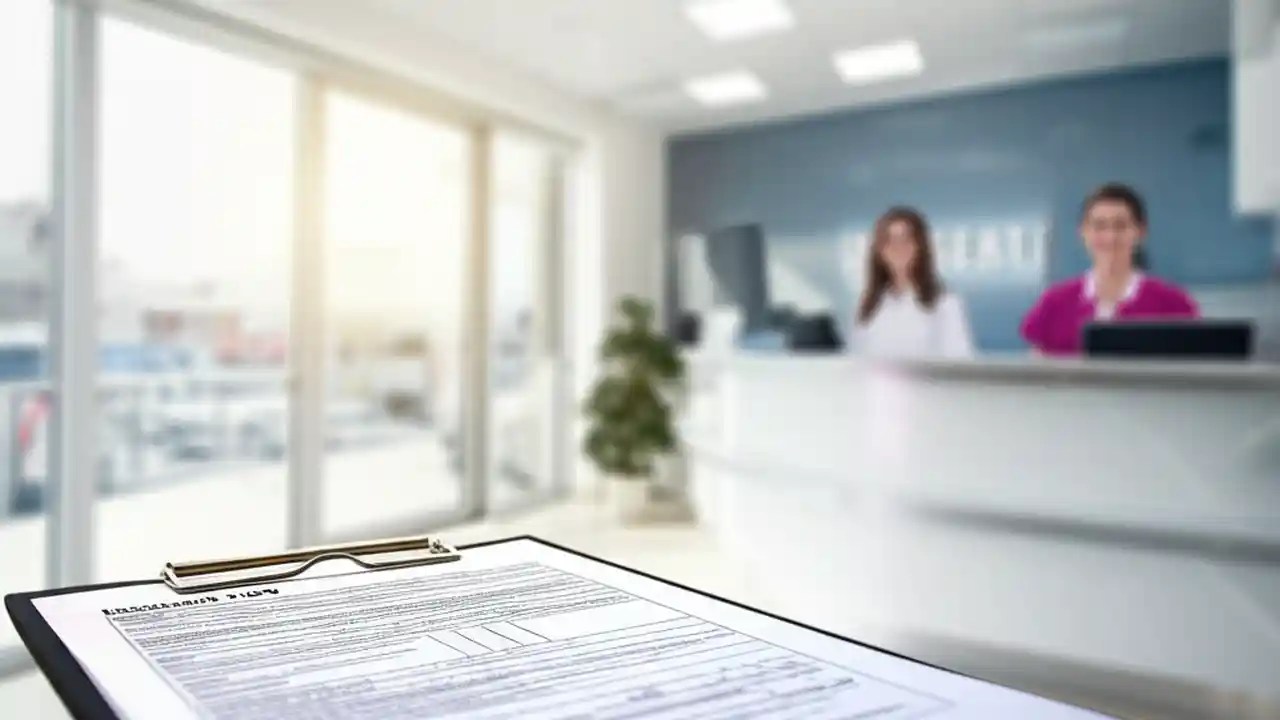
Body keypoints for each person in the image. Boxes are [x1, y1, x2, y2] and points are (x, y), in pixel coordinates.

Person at [1020, 183, 1198, 356]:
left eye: (1120, 226)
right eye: (1100, 226)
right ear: (1083, 232)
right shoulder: (1054, 303)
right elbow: (1037, 367)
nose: (1110, 237)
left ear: (1141, 232)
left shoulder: (1173, 304)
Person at [852, 206, 974, 359]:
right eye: (889, 240)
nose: (897, 248)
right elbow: (855, 359)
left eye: (905, 240)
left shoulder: (945, 302)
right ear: (879, 250)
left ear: (920, 246)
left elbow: (961, 362)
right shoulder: (867, 304)